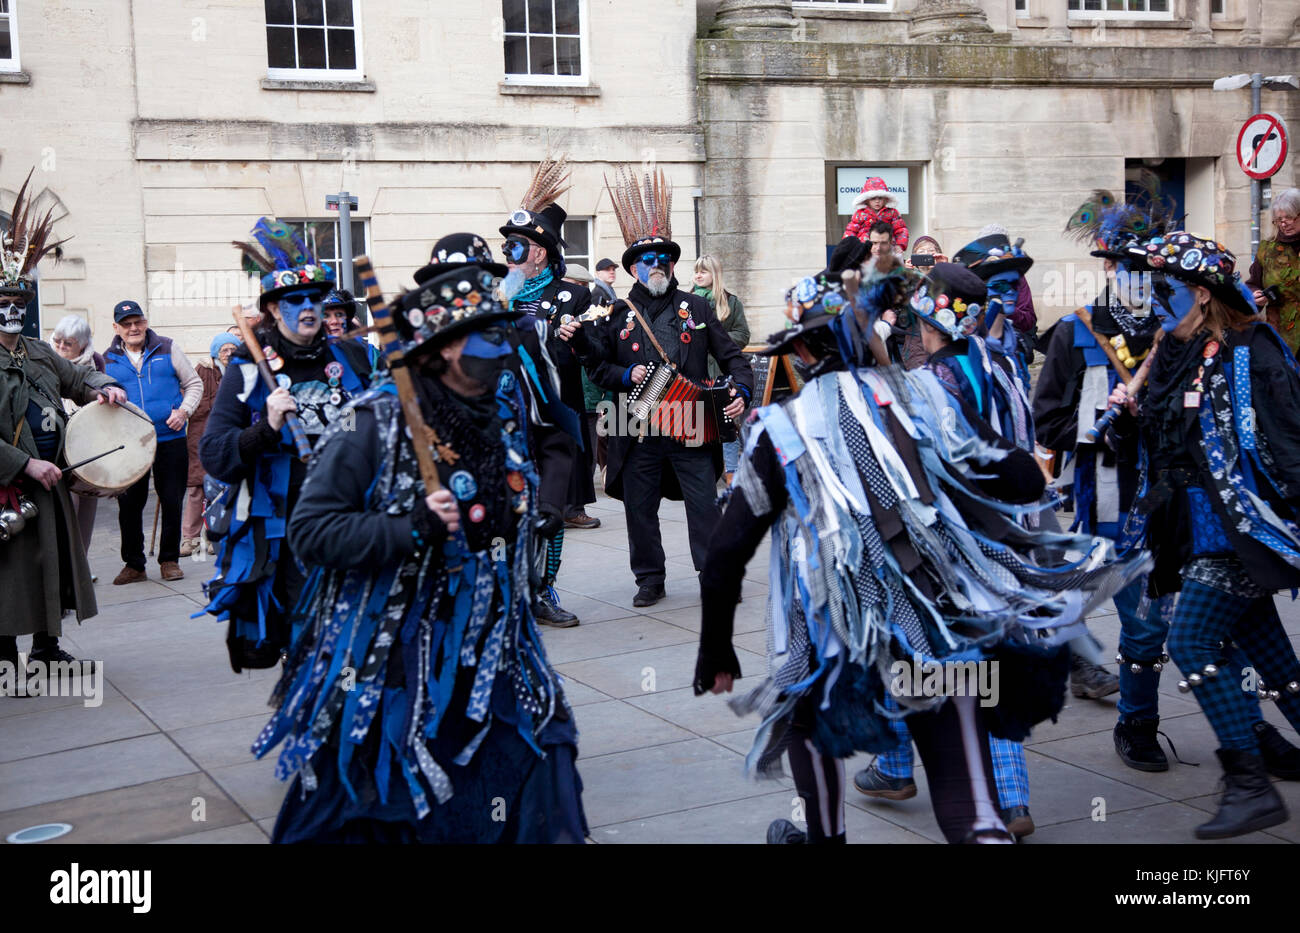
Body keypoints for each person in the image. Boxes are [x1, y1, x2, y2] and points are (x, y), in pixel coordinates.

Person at [695, 254, 1146, 844]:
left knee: (808, 718)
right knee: (966, 803)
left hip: (833, 647)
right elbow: (1025, 481)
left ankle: (826, 836)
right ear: (874, 335)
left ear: (803, 353)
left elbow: (725, 555)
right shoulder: (926, 400)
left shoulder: (781, 430)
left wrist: (717, 650)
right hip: (935, 629)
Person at [253, 253, 587, 844]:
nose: (503, 347)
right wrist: (408, 528)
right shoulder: (375, 423)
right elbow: (312, 531)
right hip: (396, 666)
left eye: (502, 331)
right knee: (392, 810)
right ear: (446, 346)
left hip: (496, 657)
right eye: (487, 335)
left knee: (539, 779)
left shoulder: (497, 417)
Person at [1112, 230, 1300, 838]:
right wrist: (1126, 419)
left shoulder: (1253, 348)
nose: (1153, 298)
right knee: (1274, 660)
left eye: (1165, 288)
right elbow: (1164, 443)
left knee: (1192, 645)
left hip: (1239, 530)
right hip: (1188, 531)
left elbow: (1290, 442)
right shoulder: (1173, 352)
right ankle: (1253, 779)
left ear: (1200, 293)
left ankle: (1249, 786)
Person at [571, 166, 752, 607]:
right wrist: (622, 375)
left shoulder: (697, 306)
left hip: (690, 420)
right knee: (639, 507)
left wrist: (741, 393)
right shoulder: (614, 314)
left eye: (665, 259)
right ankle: (649, 578)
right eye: (648, 260)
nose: (658, 266)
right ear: (633, 267)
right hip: (635, 425)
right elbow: (595, 369)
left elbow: (732, 357)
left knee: (704, 504)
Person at [198, 217, 373, 672]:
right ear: (274, 310)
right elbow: (214, 453)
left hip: (352, 519)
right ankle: (309, 715)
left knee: (360, 638)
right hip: (288, 530)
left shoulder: (351, 358)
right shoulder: (250, 367)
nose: (309, 308)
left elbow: (380, 431)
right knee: (311, 641)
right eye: (294, 301)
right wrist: (267, 426)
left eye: (315, 298)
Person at [0, 172, 127, 686]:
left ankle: (49, 649)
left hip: (54, 479)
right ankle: (6, 661)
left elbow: (82, 375)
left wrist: (106, 385)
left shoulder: (39, 352)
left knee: (50, 567)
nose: (11, 312)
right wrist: (24, 462)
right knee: (11, 580)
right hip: (11, 484)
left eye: (17, 305)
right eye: (2, 305)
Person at [497, 156, 592, 624]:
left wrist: (575, 335)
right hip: (501, 420)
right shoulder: (496, 295)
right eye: (506, 245)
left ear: (541, 251)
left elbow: (592, 353)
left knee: (549, 512)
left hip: (552, 422)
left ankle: (544, 590)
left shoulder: (573, 296)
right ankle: (508, 593)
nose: (508, 253)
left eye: (517, 246)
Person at [103, 299, 203, 585]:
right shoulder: (106, 359)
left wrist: (184, 411)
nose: (133, 328)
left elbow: (194, 384)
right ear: (116, 328)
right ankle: (134, 564)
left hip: (170, 439)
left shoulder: (168, 348)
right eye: (126, 324)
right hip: (130, 444)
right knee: (129, 504)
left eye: (138, 322)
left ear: (145, 322)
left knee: (172, 499)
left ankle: (169, 560)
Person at [50, 313, 106, 555]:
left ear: (82, 345)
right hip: (58, 449)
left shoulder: (96, 365)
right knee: (66, 512)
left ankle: (82, 565)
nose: (61, 347)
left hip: (89, 448)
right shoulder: (45, 360)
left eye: (68, 343)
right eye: (57, 341)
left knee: (87, 512)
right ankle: (67, 566)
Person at [693, 254, 750, 484]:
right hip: (694, 372)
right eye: (696, 270)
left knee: (726, 422)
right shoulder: (685, 301)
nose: (698, 275)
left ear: (714, 275)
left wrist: (716, 339)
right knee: (698, 421)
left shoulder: (730, 302)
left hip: (720, 371)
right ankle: (701, 470)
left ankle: (731, 472)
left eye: (704, 271)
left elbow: (743, 334)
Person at [180, 333, 238, 558]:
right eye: (224, 350)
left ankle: (216, 537)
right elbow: (192, 400)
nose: (229, 354)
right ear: (216, 352)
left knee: (224, 490)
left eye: (233, 349)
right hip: (201, 438)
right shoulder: (202, 371)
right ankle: (190, 540)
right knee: (197, 489)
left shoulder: (241, 371)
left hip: (229, 441)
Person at [1246, 187, 1300, 353]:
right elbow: (1253, 284)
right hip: (1281, 337)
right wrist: (1255, 295)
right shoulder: (1268, 250)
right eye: (1278, 219)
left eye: (1289, 218)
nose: (1283, 224)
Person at [842, 176, 909, 250]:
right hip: (865, 248)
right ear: (866, 200)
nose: (877, 201)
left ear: (885, 199)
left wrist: (899, 245)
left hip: (886, 247)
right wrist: (847, 247)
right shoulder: (860, 214)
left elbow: (900, 230)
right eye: (873, 198)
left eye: (880, 198)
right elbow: (851, 231)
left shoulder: (892, 213)